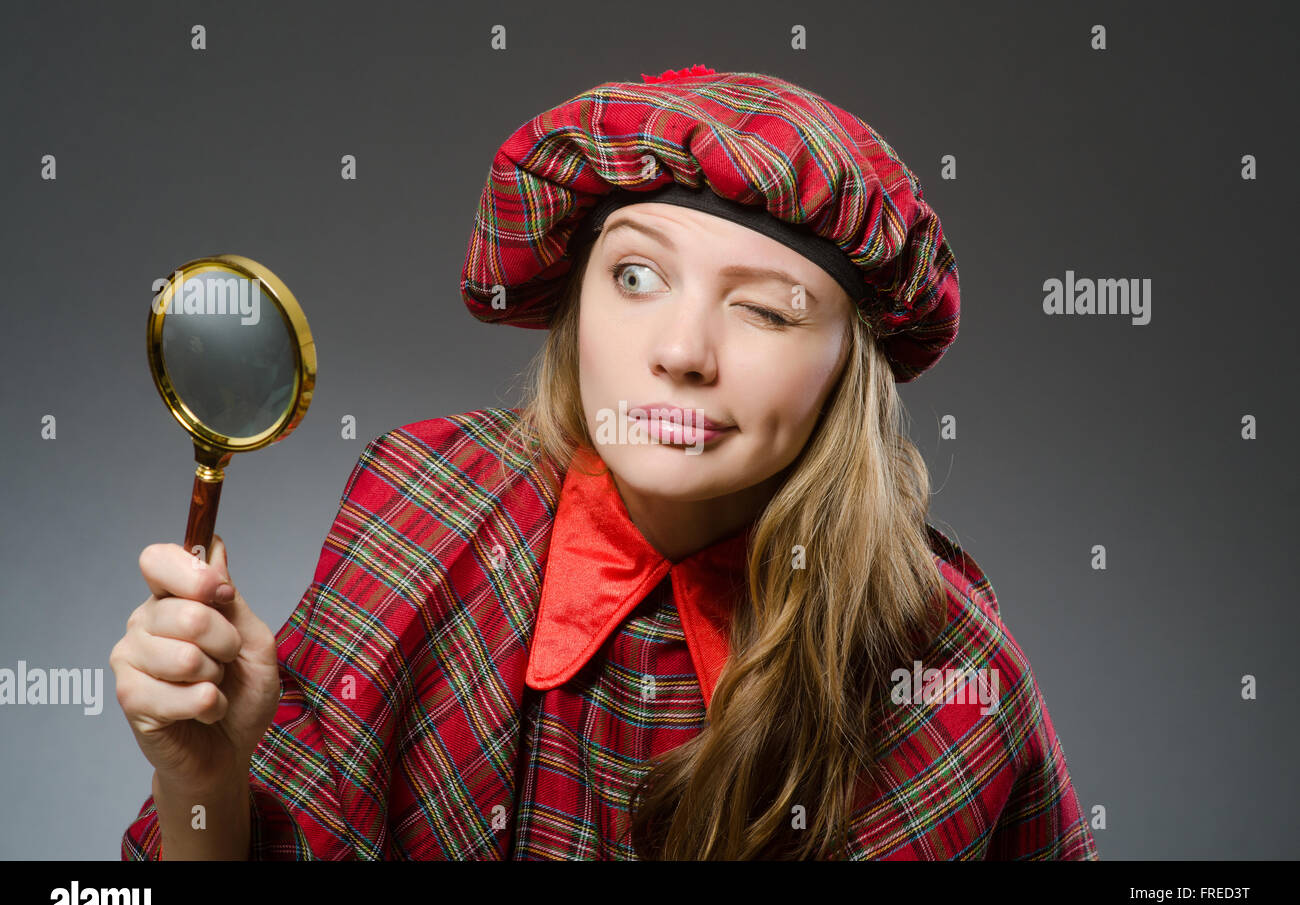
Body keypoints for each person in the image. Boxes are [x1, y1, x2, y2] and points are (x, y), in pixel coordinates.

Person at [113, 65, 1098, 860]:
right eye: (636, 275)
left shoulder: (943, 664)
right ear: (577, 300)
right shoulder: (420, 504)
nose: (680, 352)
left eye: (763, 308)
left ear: (848, 369)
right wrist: (202, 782)